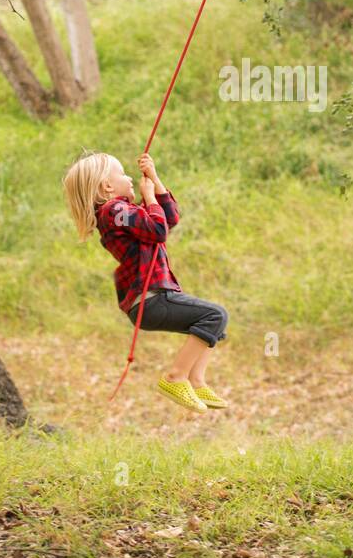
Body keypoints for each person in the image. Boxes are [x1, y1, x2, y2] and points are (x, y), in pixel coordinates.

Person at [63, 149, 229, 413]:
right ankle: (176, 377)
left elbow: (169, 218)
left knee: (214, 324)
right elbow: (159, 231)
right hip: (150, 299)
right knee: (215, 315)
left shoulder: (123, 213)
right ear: (107, 187)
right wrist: (149, 196)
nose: (130, 178)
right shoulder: (114, 210)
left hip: (152, 299)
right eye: (123, 174)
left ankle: (196, 380)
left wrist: (155, 178)